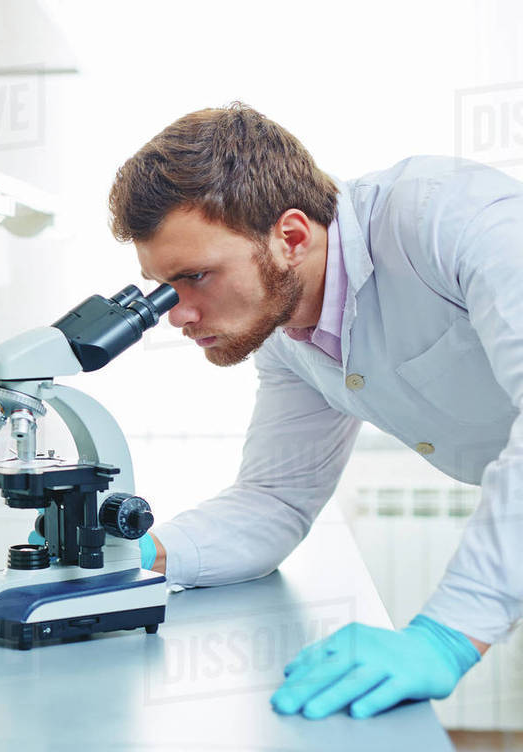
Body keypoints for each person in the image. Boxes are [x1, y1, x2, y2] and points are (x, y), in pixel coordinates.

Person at [107, 102, 523, 720]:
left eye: (196, 277)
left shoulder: (451, 218)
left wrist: (447, 631)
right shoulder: (287, 335)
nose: (177, 315)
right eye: (164, 286)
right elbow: (274, 500)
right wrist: (131, 553)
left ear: (291, 237)